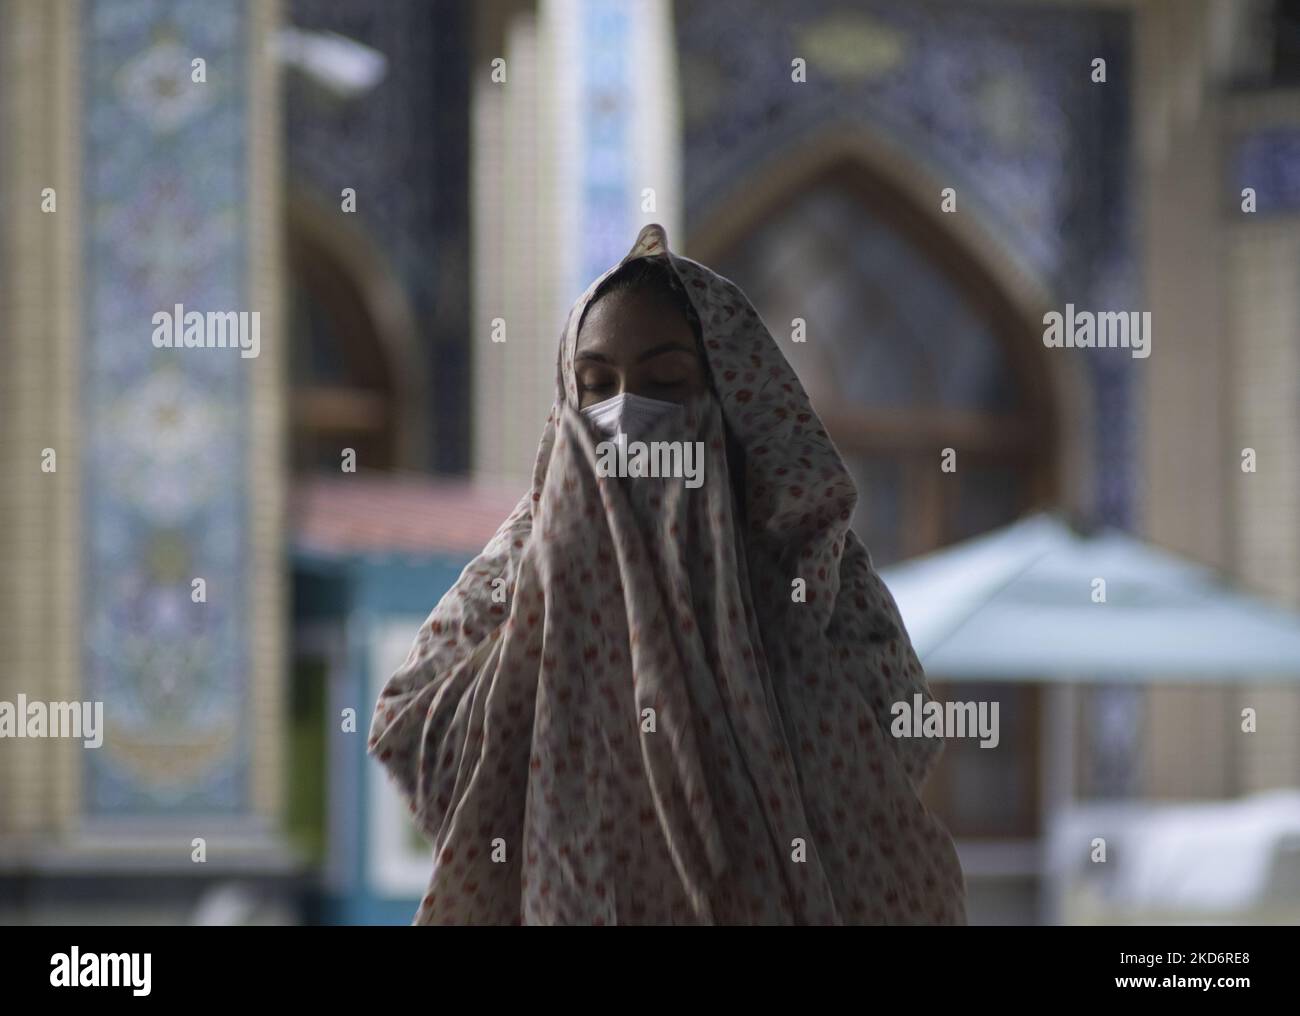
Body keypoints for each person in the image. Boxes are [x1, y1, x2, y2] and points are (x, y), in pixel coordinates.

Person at [369, 223, 967, 925]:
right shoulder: (518, 566)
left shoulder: (806, 557)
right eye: (596, 385)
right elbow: (411, 728)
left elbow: (899, 738)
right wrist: (559, 618)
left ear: (733, 395)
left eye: (666, 381)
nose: (624, 413)